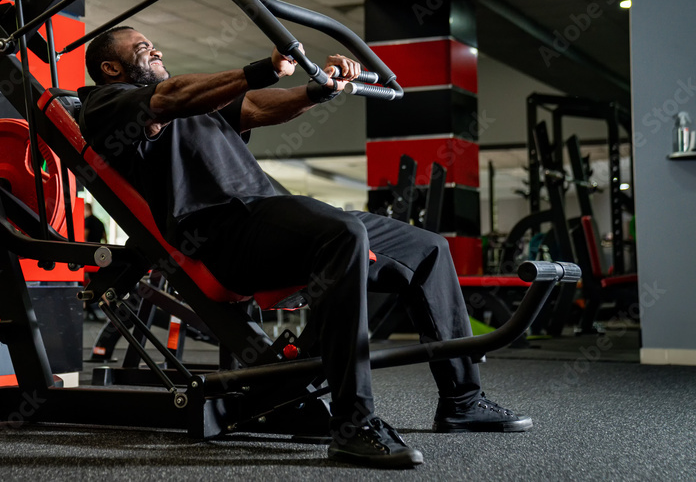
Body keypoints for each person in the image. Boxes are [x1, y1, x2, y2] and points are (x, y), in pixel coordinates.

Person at [76, 26, 531, 469]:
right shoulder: (105, 103)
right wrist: (262, 68)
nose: (154, 50)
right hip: (221, 233)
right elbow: (169, 97)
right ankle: (354, 425)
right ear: (111, 66)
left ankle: (462, 401)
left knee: (428, 248)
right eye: (141, 48)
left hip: (268, 213)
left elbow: (253, 105)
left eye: (154, 44)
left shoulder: (199, 104)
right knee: (341, 233)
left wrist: (318, 92)